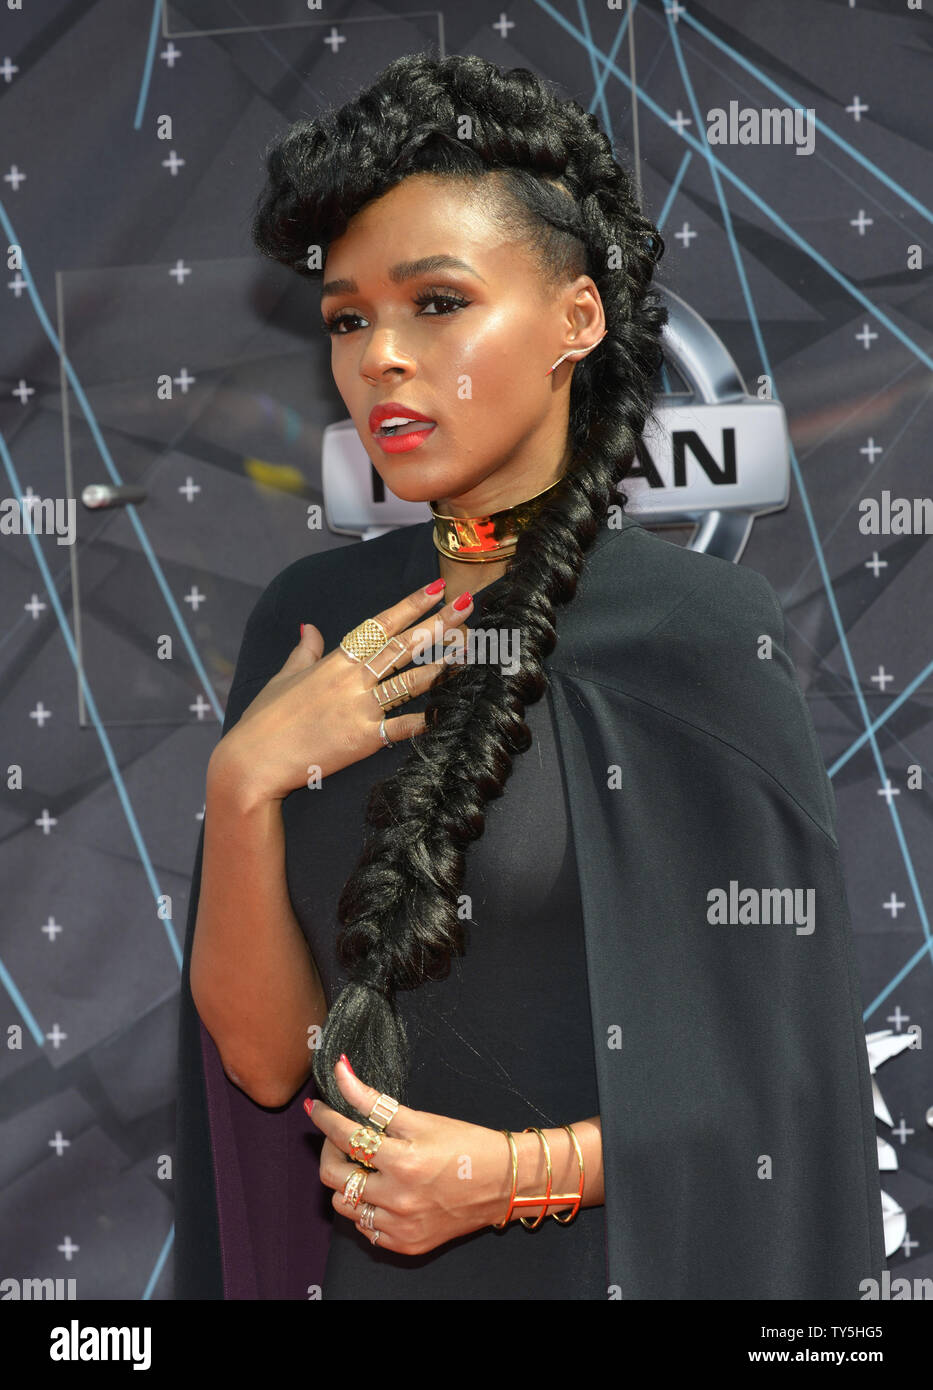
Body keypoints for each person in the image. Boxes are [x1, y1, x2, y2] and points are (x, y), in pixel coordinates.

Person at [174, 52, 885, 1301]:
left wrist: (514, 1176)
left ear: (577, 319)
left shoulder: (700, 629)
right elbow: (267, 1063)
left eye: (436, 303)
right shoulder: (308, 620)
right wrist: (242, 786)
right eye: (349, 319)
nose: (381, 357)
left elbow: (791, 1091)